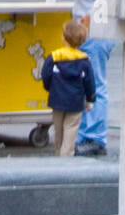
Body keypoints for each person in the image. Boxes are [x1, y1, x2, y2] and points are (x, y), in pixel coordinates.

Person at [68, 0, 114, 158]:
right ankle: (87, 135)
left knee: (95, 82)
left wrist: (91, 17)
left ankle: (96, 137)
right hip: (83, 31)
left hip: (94, 31)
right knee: (86, 82)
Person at [41, 19, 95, 157]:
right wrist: (90, 99)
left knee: (58, 130)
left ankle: (58, 153)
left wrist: (50, 88)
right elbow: (89, 82)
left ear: (63, 38)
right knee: (71, 130)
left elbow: (45, 76)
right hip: (75, 102)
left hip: (57, 99)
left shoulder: (54, 57)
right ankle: (66, 157)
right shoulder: (84, 60)